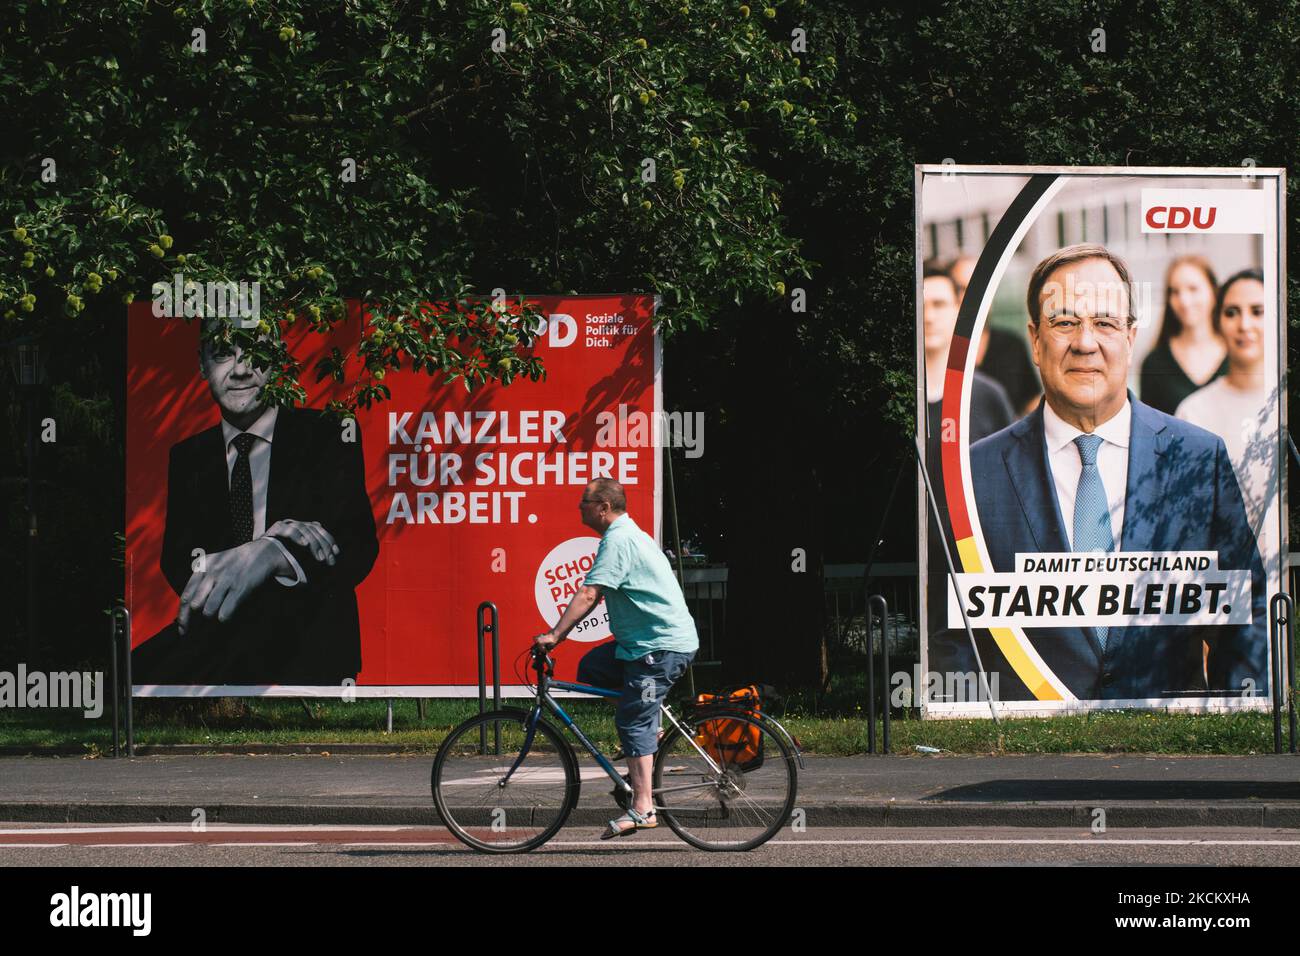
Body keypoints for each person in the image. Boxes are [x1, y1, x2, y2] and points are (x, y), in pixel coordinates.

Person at [968, 243, 1267, 701]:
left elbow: (1244, 615)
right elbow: (952, 637)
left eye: (1105, 323)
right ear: (1034, 339)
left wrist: (1237, 733)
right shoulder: (975, 473)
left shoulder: (1199, 458)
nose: (1085, 342)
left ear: (1130, 337)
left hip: (1171, 756)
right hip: (1023, 759)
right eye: (1064, 322)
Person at [132, 323, 379, 686]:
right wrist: (253, 552)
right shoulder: (189, 456)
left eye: (255, 352)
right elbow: (178, 557)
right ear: (201, 365)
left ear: (278, 357)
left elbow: (356, 547)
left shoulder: (329, 433)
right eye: (222, 354)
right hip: (217, 649)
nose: (242, 368)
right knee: (128, 679)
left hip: (310, 650)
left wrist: (275, 553)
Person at [533, 478, 698, 838]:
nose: (580, 509)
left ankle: (643, 808)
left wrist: (555, 636)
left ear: (603, 507)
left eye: (585, 503)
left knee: (631, 721)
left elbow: (590, 592)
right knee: (591, 666)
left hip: (658, 648)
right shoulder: (627, 535)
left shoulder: (619, 540)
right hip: (641, 644)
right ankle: (648, 724)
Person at [1176, 269, 1278, 537]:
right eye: (1232, 312)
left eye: (1258, 311)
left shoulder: (1289, 403)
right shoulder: (1193, 412)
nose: (1244, 324)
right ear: (1218, 322)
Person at [949, 254, 1041, 416]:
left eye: (982, 287)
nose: (975, 297)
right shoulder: (941, 350)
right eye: (964, 289)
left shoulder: (1012, 344)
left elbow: (1031, 403)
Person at [1139, 255, 1228, 415]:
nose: (1184, 300)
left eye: (1193, 289)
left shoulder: (1236, 356)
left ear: (1214, 292)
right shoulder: (1154, 363)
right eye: (1175, 292)